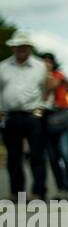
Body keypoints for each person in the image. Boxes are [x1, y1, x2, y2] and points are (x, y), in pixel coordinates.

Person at [1, 31, 50, 201]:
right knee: (13, 157)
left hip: (33, 115)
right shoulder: (3, 67)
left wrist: (42, 109)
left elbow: (47, 89)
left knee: (37, 155)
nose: (21, 49)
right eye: (18, 46)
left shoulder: (40, 66)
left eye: (24, 46)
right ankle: (17, 193)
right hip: (11, 116)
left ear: (29, 48)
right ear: (13, 47)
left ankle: (38, 192)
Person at [41, 52, 68, 198]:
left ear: (53, 63)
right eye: (43, 62)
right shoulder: (38, 78)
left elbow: (51, 86)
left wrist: (45, 74)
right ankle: (61, 188)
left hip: (63, 118)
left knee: (66, 153)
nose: (46, 64)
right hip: (47, 119)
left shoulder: (59, 75)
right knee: (52, 157)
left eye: (49, 61)